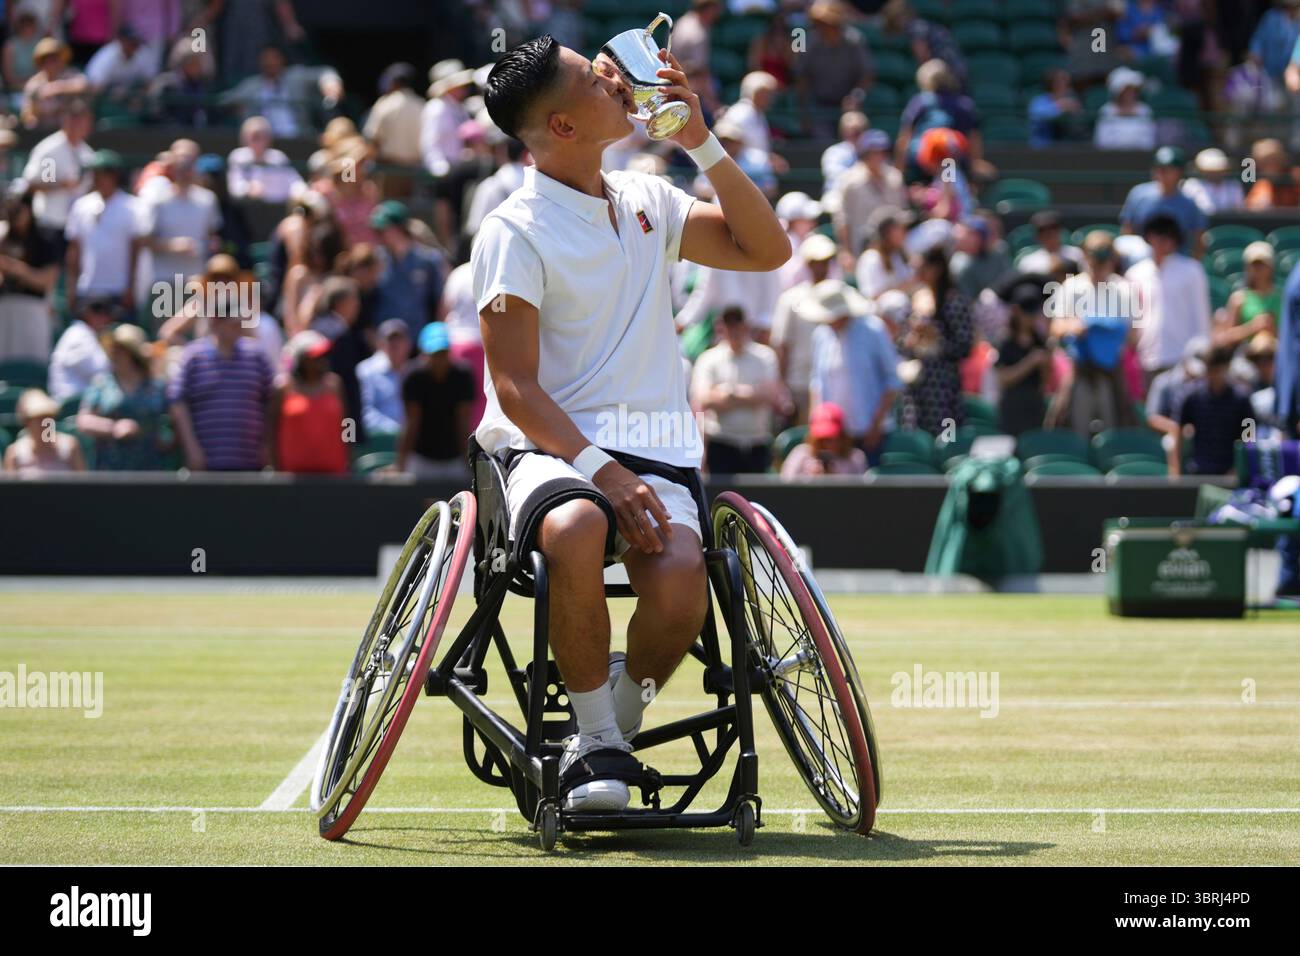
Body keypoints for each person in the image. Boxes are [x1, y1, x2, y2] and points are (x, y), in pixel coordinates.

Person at [471, 34, 789, 811]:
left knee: (682, 587)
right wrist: (603, 474)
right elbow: (513, 387)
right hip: (549, 451)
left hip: (656, 452)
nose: (615, 76)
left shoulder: (649, 199)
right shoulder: (512, 229)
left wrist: (699, 139)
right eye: (593, 76)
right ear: (566, 128)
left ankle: (612, 719)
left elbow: (768, 248)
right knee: (578, 527)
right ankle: (598, 745)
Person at [1046, 231, 1138, 435]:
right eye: (1094, 262)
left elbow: (1133, 336)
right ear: (1085, 258)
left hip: (1111, 370)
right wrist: (1076, 327)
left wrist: (1106, 332)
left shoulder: (1123, 289)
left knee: (1115, 426)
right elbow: (1055, 327)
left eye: (1102, 263)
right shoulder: (1072, 286)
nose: (1097, 269)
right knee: (1071, 424)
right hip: (1080, 368)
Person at [168, 307, 275, 472]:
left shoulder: (257, 356)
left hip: (250, 463)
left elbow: (271, 402)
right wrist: (192, 449)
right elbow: (178, 403)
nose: (239, 328)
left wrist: (267, 444)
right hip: (206, 465)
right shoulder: (192, 357)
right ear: (215, 323)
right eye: (233, 324)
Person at [805, 279, 901, 459]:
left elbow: (892, 381)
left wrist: (876, 426)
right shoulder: (820, 335)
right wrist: (816, 424)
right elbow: (817, 382)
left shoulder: (873, 329)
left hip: (870, 432)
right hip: (833, 436)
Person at [691, 306, 787, 474]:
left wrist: (728, 394)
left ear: (746, 326)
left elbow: (770, 395)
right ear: (721, 327)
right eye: (729, 324)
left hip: (757, 444)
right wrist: (751, 395)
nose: (734, 330)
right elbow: (704, 398)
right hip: (721, 445)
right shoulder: (708, 359)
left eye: (738, 324)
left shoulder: (765, 356)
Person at [1127, 215, 1211, 388]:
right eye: (1157, 235)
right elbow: (1132, 320)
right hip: (1146, 358)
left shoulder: (1192, 270)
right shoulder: (1135, 274)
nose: (1162, 241)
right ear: (1149, 237)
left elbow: (1201, 317)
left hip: (1182, 358)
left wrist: (1197, 360)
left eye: (1167, 236)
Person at [63, 150, 146, 323]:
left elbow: (135, 250)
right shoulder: (81, 206)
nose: (97, 178)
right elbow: (74, 250)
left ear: (114, 176)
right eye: (94, 173)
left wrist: (130, 287)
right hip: (87, 289)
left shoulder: (133, 207)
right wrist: (71, 288)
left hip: (119, 290)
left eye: (102, 173)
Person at [75, 323, 169, 470]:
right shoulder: (102, 383)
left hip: (148, 466)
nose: (114, 354)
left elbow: (169, 424)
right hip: (111, 466)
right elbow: (83, 420)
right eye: (113, 349)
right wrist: (113, 428)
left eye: (120, 350)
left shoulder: (157, 387)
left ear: (133, 354)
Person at [900, 246, 974, 435]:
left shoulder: (954, 301)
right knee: (915, 433)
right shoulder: (916, 299)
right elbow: (902, 342)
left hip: (942, 385)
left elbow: (964, 347)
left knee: (944, 436)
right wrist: (912, 339)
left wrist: (937, 339)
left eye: (923, 269)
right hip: (917, 381)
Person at [771, 233, 837, 423]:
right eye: (817, 262)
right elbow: (782, 345)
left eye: (825, 261)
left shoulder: (839, 297)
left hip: (832, 382)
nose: (822, 267)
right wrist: (782, 387)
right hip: (798, 383)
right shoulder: (791, 300)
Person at [397, 321, 474, 478]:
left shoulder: (463, 376)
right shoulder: (413, 377)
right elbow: (412, 422)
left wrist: (468, 461)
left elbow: (463, 421)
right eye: (434, 354)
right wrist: (401, 464)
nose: (439, 359)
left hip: (454, 461)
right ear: (423, 352)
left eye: (443, 352)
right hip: (421, 460)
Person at [270, 329, 349, 474]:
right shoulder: (283, 388)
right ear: (301, 360)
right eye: (315, 357)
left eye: (324, 355)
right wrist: (275, 467)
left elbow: (348, 424)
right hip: (291, 477)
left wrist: (349, 456)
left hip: (333, 475)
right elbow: (271, 431)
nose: (322, 360)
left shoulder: (335, 385)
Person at [370, 200, 446, 343]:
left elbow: (440, 303)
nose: (378, 235)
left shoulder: (429, 260)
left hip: (419, 341)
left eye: (382, 230)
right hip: (384, 344)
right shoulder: (375, 260)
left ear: (399, 228)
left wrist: (434, 340)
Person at [1173, 346, 1254, 477]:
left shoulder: (1242, 398)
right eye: (1210, 370)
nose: (1214, 376)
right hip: (1199, 470)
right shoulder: (1191, 396)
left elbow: (1249, 437)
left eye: (1218, 370)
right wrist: (1175, 470)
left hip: (1230, 471)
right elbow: (1177, 430)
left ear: (1227, 368)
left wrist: (1239, 468)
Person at [0, 189, 60, 363]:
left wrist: (14, 268)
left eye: (18, 210)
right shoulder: (5, 237)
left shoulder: (44, 238)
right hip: (5, 309)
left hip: (33, 310)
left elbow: (46, 281)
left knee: (33, 363)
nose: (14, 216)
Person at [21, 98, 94, 241]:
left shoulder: (87, 153)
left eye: (84, 122)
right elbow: (32, 185)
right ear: (67, 121)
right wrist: (62, 184)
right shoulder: (51, 151)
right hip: (51, 222)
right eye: (76, 120)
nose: (80, 126)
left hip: (77, 224)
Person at [831, 128, 907, 258]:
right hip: (862, 250)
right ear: (864, 154)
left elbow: (901, 216)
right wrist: (846, 251)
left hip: (892, 252)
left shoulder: (895, 177)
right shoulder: (849, 181)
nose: (878, 157)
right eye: (873, 153)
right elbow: (842, 220)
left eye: (882, 152)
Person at [1119, 146, 1208, 256]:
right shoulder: (1138, 194)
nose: (1161, 173)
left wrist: (1191, 266)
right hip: (1143, 257)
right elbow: (1128, 231)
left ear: (1179, 172)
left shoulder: (1189, 203)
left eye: (1167, 169)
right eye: (1158, 168)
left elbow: (1199, 239)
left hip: (1176, 259)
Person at [994, 287, 1051, 437]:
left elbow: (1044, 382)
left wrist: (1045, 364)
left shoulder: (1040, 341)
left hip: (1034, 405)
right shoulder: (1007, 342)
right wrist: (1030, 362)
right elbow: (1003, 379)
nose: (1030, 318)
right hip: (1012, 407)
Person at [2, 388, 86, 474]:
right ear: (27, 423)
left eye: (48, 418)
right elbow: (11, 486)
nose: (46, 424)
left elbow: (83, 483)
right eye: (39, 420)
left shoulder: (70, 446)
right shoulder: (14, 454)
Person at [1217, 241, 1280, 350]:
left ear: (1271, 267)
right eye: (1254, 266)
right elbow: (1226, 338)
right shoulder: (1238, 299)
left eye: (1262, 265)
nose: (1257, 270)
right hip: (1246, 356)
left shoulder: (1283, 297)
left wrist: (1273, 331)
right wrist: (1253, 327)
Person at [47, 297, 112, 401]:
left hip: (79, 400)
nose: (107, 320)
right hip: (70, 403)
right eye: (102, 314)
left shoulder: (84, 334)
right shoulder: (79, 336)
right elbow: (99, 371)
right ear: (89, 314)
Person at [780, 401, 867, 478]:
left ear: (842, 437)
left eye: (831, 438)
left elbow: (863, 493)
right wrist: (809, 480)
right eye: (821, 438)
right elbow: (785, 488)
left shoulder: (855, 458)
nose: (826, 443)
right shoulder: (800, 455)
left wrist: (837, 479)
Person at [226, 116, 302, 204]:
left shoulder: (279, 157)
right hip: (249, 211)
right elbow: (234, 187)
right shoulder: (238, 157)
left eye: (264, 136)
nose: (260, 141)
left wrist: (301, 193)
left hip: (279, 209)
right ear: (245, 138)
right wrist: (248, 188)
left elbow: (295, 183)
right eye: (255, 137)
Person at [357, 318, 410, 436]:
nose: (395, 344)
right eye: (390, 339)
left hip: (409, 440)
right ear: (380, 343)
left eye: (399, 339)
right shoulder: (366, 370)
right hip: (378, 441)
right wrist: (397, 430)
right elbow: (365, 412)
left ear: (408, 344)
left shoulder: (412, 371)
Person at [1094, 66, 1155, 151]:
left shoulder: (1144, 110)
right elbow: (1102, 141)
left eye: (1133, 91)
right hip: (1112, 157)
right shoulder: (1106, 110)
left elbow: (1148, 140)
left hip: (1140, 156)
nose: (1130, 94)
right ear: (1119, 93)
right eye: (1126, 91)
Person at [1017, 210, 1084, 276]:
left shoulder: (1076, 254)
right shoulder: (1028, 262)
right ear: (1037, 236)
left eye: (1053, 229)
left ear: (1060, 231)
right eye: (1043, 231)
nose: (1049, 236)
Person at [1182, 148, 1244, 214]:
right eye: (1210, 171)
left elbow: (1239, 210)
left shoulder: (1234, 186)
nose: (1214, 174)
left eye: (1218, 170)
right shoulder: (1191, 186)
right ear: (1201, 170)